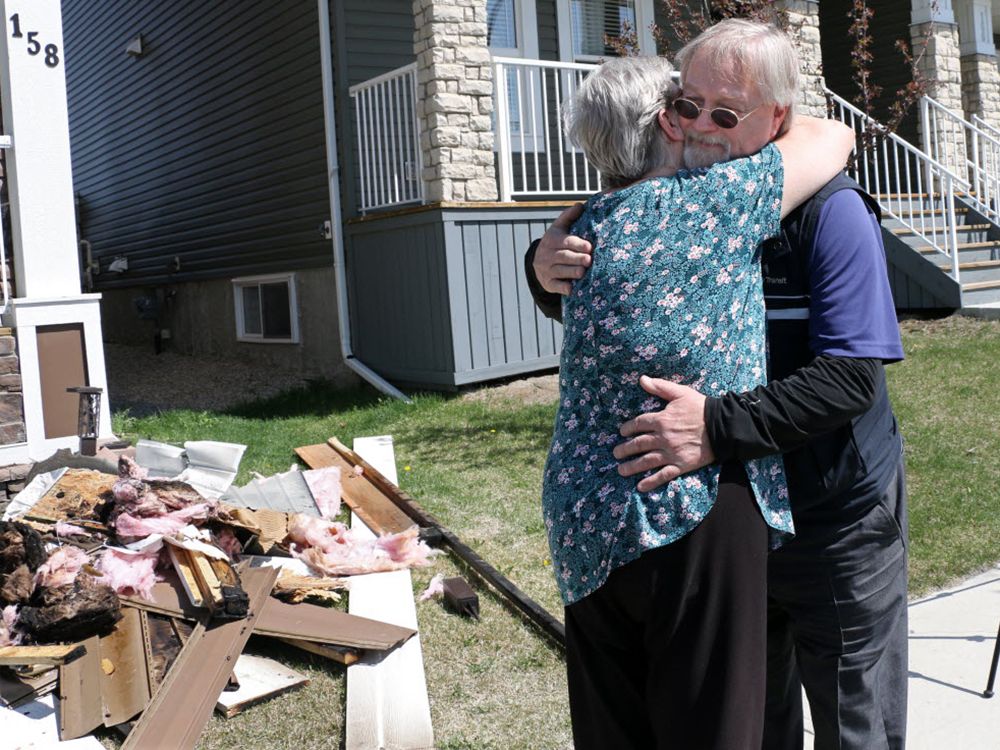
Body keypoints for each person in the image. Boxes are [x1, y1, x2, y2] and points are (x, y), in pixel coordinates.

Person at [527, 19, 908, 750]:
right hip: (738, 510)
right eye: (686, 104)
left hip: (833, 517)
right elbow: (615, 282)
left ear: (778, 121)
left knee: (853, 723)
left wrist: (716, 427)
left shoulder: (833, 217)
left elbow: (849, 380)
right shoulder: (692, 200)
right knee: (753, 723)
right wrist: (545, 267)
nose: (701, 126)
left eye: (726, 114)